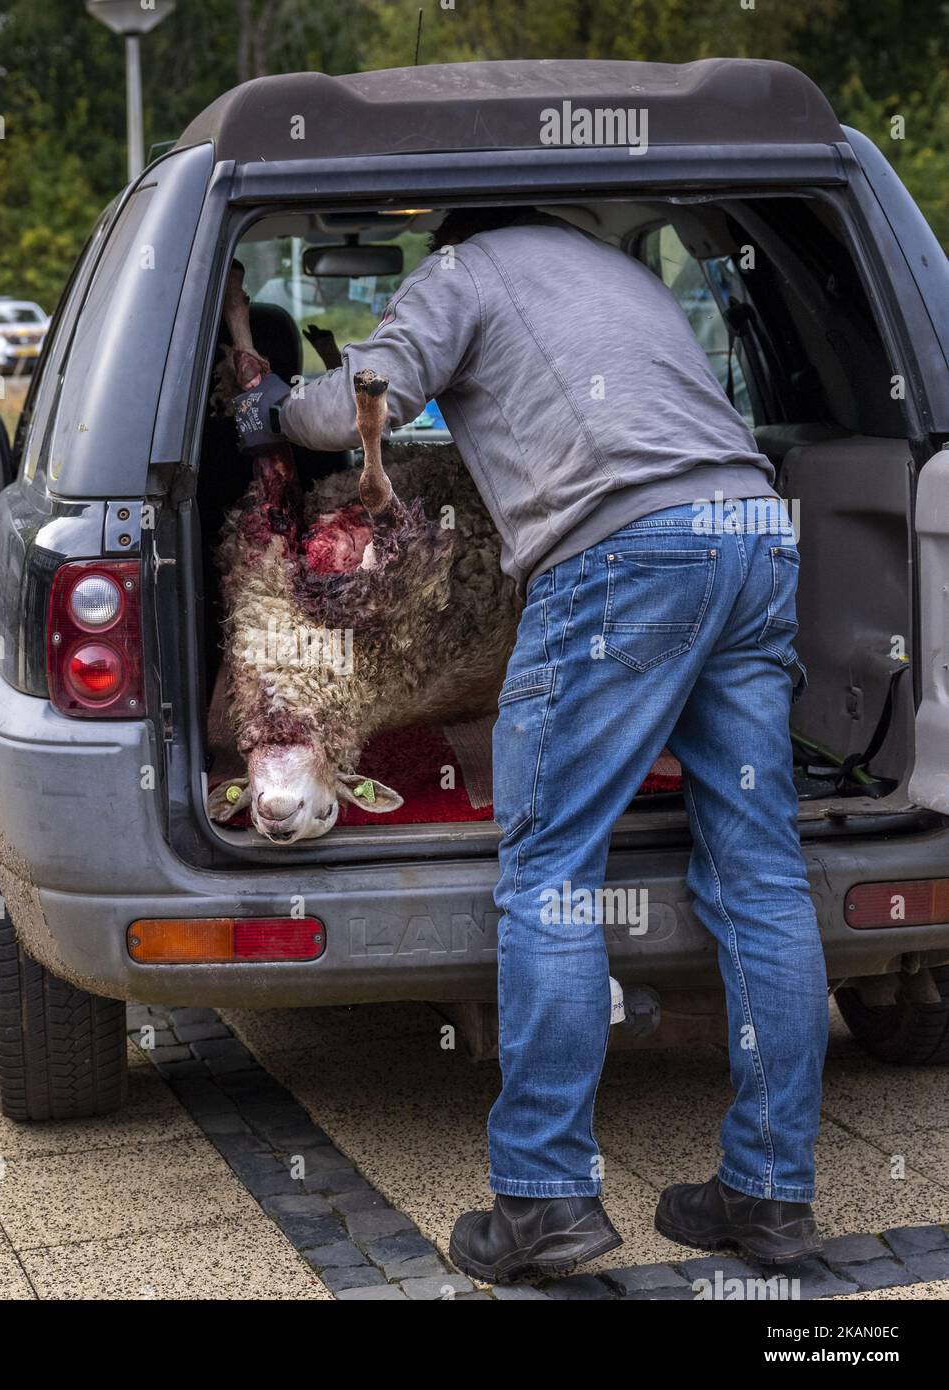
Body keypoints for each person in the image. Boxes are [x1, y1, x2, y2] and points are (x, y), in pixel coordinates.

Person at [235, 206, 828, 1283]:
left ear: (458, 224)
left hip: (625, 556)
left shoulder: (465, 268)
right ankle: (771, 1192)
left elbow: (366, 399)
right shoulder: (616, 272)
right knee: (761, 872)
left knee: (551, 869)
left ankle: (546, 1199)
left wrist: (276, 399)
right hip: (752, 532)